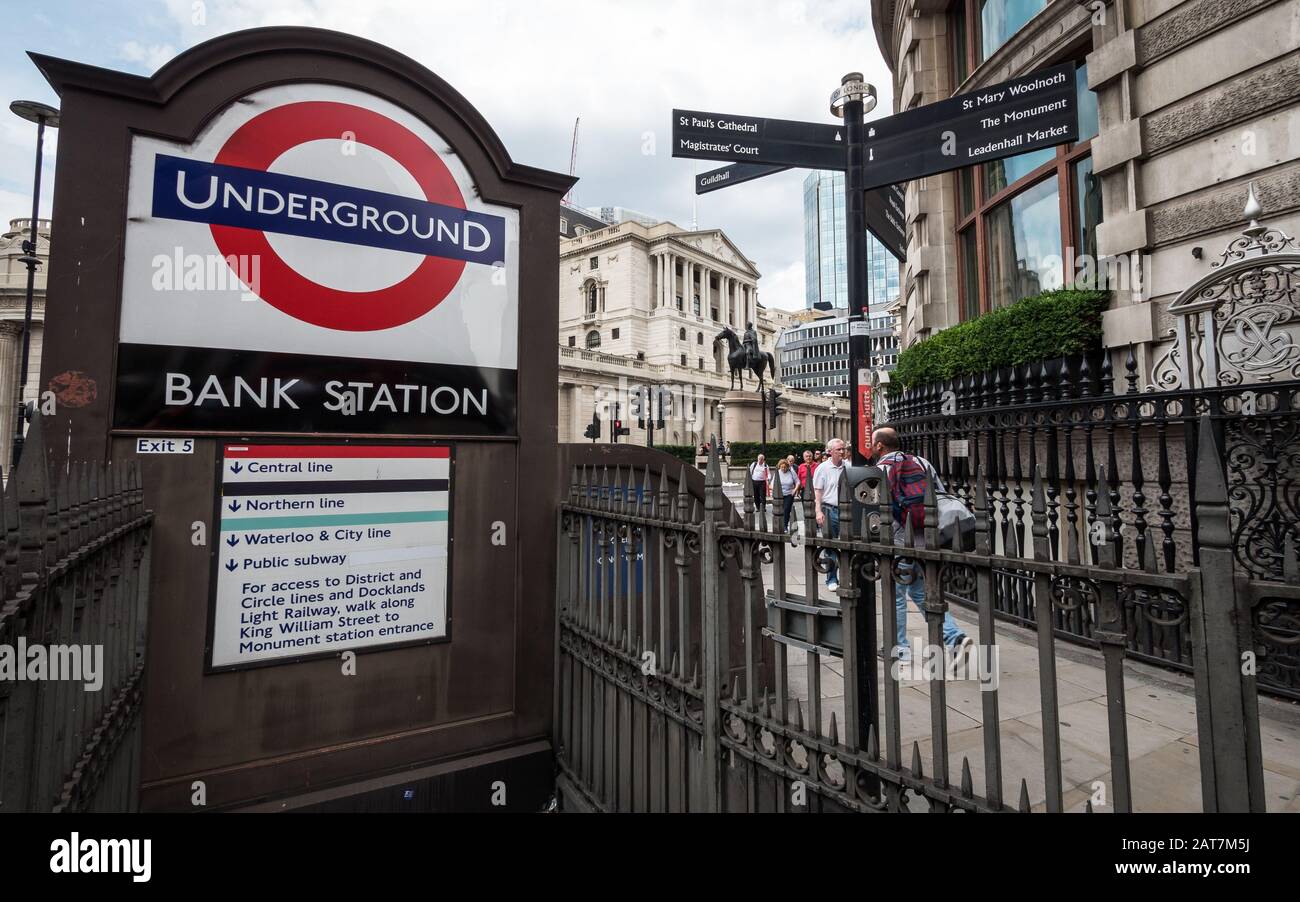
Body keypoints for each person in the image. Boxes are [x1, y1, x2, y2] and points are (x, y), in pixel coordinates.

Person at [871, 426, 972, 663]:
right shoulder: (921, 462)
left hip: (898, 540)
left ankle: (899, 648)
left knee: (895, 593)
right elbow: (939, 495)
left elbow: (877, 510)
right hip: (926, 537)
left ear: (879, 446)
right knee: (921, 591)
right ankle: (954, 637)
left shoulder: (879, 471)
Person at [812, 438, 848, 592]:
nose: (842, 451)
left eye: (843, 449)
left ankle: (847, 578)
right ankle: (831, 579)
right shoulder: (823, 468)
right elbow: (818, 492)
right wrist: (818, 511)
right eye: (839, 449)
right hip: (829, 509)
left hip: (846, 511)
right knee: (831, 546)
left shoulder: (849, 467)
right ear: (830, 451)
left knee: (847, 545)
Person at [772, 459, 799, 531]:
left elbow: (798, 482)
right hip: (779, 495)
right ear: (779, 467)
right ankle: (779, 524)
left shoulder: (791, 472)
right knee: (779, 510)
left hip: (789, 494)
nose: (783, 469)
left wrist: (795, 490)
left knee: (786, 510)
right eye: (782, 467)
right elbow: (772, 485)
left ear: (787, 466)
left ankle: (785, 526)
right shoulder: (777, 473)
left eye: (785, 467)